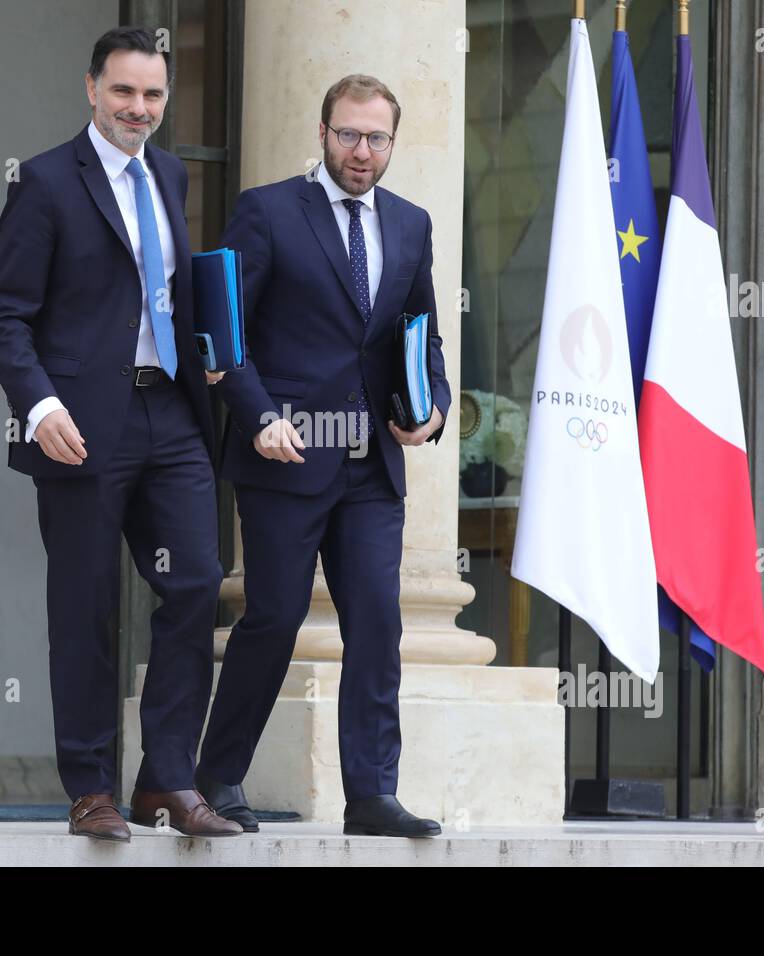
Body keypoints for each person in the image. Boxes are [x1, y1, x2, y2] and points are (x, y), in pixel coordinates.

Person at [0, 26, 239, 841]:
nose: (139, 108)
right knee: (85, 606)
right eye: (124, 91)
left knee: (197, 584)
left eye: (154, 94)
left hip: (170, 414)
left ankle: (167, 777)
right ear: (91, 88)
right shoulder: (47, 182)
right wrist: (43, 408)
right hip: (83, 425)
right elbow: (5, 318)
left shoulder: (168, 173)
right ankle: (91, 787)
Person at [195, 74, 451, 838]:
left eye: (377, 138)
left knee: (376, 621)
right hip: (286, 454)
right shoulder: (269, 211)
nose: (362, 152)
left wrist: (432, 410)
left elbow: (424, 333)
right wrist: (259, 416)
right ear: (322, 132)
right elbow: (223, 330)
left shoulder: (410, 224)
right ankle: (219, 775)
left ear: (393, 143)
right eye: (348, 135)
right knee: (271, 617)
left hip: (371, 463)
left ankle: (372, 795)